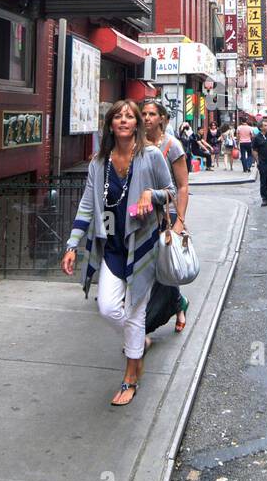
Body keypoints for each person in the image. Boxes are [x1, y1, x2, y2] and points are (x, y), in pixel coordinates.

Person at [63, 101, 176, 405]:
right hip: (111, 246)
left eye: (129, 116)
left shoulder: (150, 156)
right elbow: (87, 205)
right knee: (108, 307)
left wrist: (152, 195)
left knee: (136, 310)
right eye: (118, 116)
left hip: (141, 246)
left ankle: (131, 376)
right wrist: (73, 244)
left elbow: (172, 192)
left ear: (137, 123)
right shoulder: (99, 163)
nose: (124, 120)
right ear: (110, 124)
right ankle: (138, 342)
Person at [141, 99, 190, 335]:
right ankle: (179, 304)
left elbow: (182, 186)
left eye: (152, 114)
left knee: (164, 268)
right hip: (142, 215)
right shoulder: (136, 144)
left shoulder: (172, 146)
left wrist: (179, 220)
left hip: (166, 215)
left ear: (162, 118)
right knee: (154, 269)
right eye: (144, 113)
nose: (147, 118)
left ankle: (145, 325)